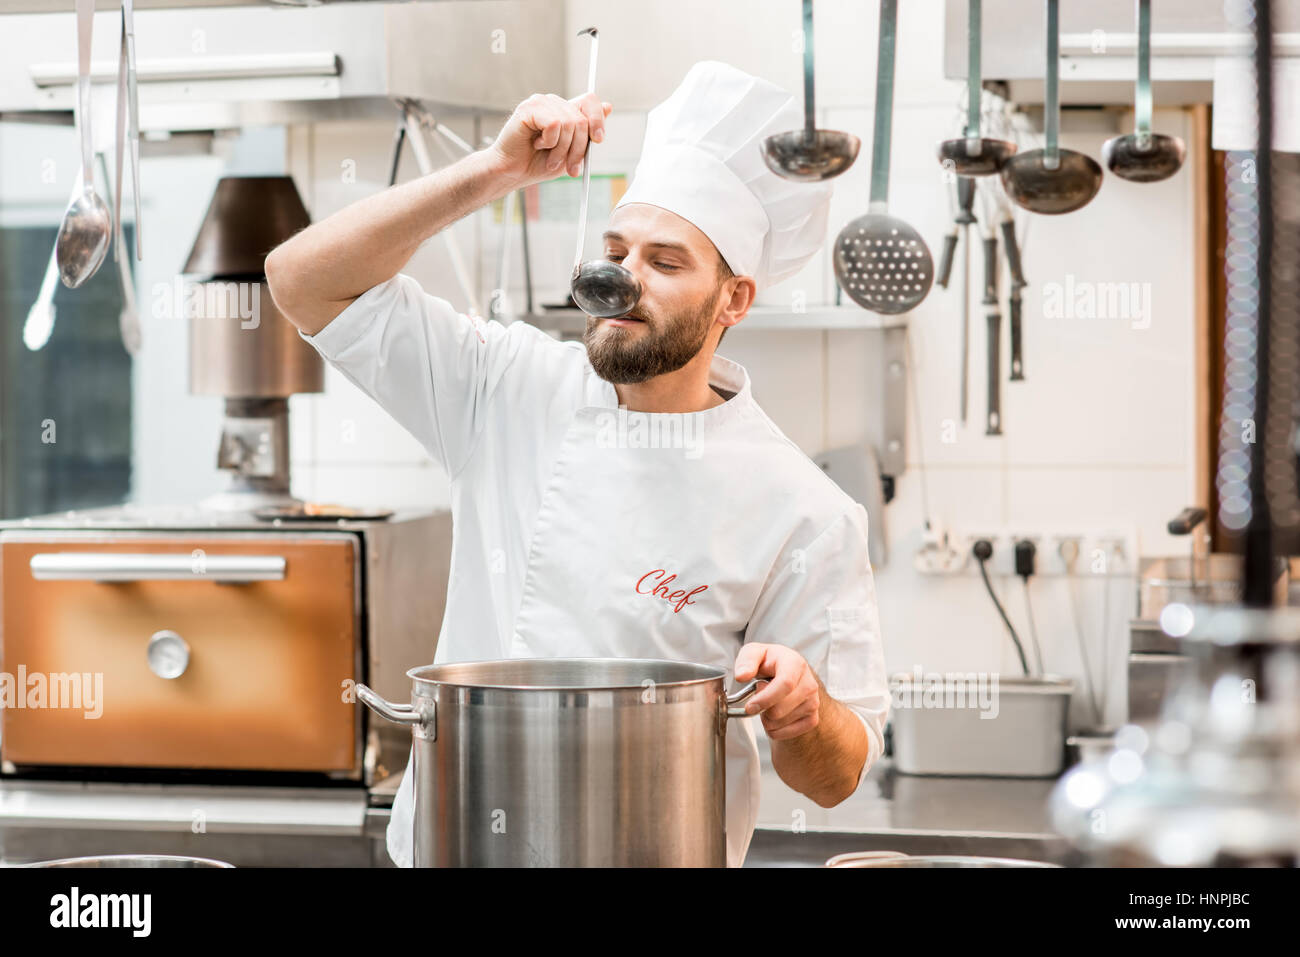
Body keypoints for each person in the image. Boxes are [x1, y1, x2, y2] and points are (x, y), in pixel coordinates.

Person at [266, 60, 890, 868]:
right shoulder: (506, 385)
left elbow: (837, 777)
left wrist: (805, 707)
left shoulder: (803, 508)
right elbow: (298, 279)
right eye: (616, 250)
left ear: (733, 301)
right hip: (457, 851)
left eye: (665, 264)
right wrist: (495, 171)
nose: (620, 282)